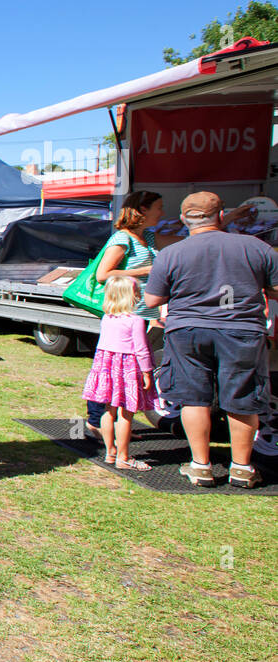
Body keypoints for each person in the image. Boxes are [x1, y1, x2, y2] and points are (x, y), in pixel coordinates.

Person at [144, 191, 278, 489]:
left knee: (194, 398)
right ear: (220, 215)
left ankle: (200, 466)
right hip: (242, 332)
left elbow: (154, 298)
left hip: (188, 332)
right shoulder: (256, 247)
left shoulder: (172, 253)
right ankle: (242, 468)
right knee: (243, 400)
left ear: (183, 219)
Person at [85, 191, 169, 439]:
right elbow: (103, 275)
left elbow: (184, 239)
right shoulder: (123, 239)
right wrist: (147, 270)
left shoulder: (149, 237)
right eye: (158, 207)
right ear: (142, 210)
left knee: (127, 369)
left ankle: (117, 424)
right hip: (125, 314)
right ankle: (96, 420)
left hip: (142, 312)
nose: (162, 213)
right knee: (112, 366)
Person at [82, 276, 155, 471]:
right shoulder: (136, 320)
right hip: (128, 367)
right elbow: (141, 348)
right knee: (126, 414)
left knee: (108, 409)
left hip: (106, 367)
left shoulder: (108, 317)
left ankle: (110, 451)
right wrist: (147, 371)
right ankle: (124, 457)